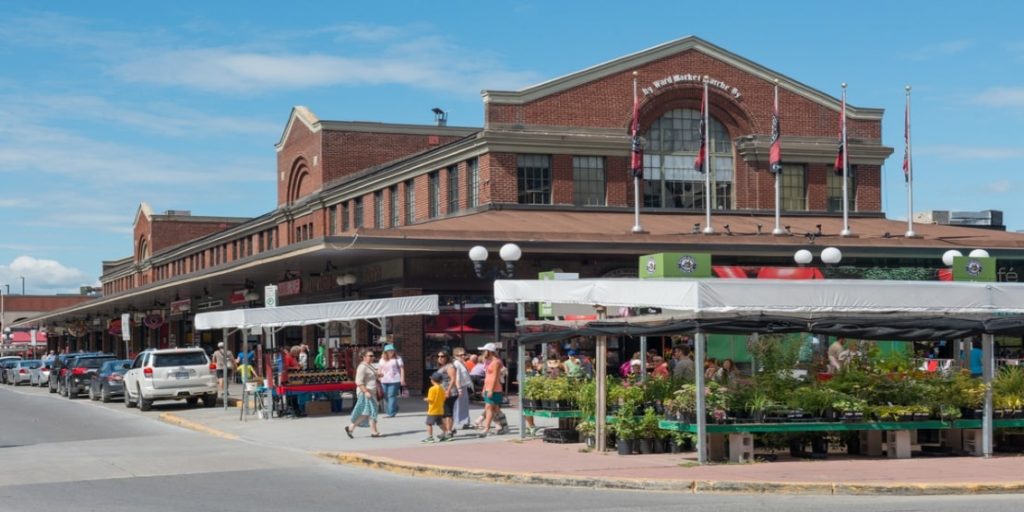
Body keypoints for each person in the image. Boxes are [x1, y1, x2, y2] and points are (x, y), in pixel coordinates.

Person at [345, 349, 381, 439]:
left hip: (371, 392)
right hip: (366, 392)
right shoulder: (362, 367)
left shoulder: (369, 366)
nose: (372, 357)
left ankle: (350, 428)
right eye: (370, 356)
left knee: (368, 412)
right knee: (372, 411)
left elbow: (373, 375)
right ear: (364, 357)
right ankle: (374, 432)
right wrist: (366, 392)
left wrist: (379, 375)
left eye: (373, 356)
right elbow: (359, 381)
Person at [477, 343, 508, 437]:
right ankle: (504, 426)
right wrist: (484, 388)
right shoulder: (488, 361)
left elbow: (494, 377)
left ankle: (486, 428)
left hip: (494, 388)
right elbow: (487, 376)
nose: (483, 352)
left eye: (484, 350)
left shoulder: (496, 362)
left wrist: (490, 389)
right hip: (489, 388)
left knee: (489, 408)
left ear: (490, 351)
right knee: (495, 409)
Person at [377, 344, 405, 417]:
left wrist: (402, 379)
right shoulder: (382, 359)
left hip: (395, 380)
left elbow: (402, 369)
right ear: (385, 352)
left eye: (392, 350)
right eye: (389, 351)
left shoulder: (398, 358)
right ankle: (395, 407)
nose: (391, 352)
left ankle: (391, 413)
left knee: (391, 395)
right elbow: (379, 369)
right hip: (384, 380)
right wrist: (378, 377)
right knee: (385, 396)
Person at [451, 347, 474, 430]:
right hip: (459, 387)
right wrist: (459, 389)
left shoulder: (463, 363)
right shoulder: (456, 364)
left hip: (464, 386)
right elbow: (456, 377)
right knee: (457, 406)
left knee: (464, 405)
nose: (463, 356)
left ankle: (466, 422)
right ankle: (452, 425)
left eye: (464, 354)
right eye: (460, 355)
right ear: (455, 356)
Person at [437, 351, 457, 440]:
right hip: (442, 392)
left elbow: (453, 379)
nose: (440, 358)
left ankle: (448, 431)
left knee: (447, 411)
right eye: (438, 356)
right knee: (444, 412)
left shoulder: (450, 366)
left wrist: (448, 390)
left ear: (447, 357)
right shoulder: (442, 367)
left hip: (450, 392)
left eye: (442, 356)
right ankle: (447, 430)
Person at [422, 372, 445, 443]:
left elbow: (431, 399)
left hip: (433, 410)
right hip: (440, 409)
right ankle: (447, 433)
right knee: (440, 423)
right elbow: (443, 398)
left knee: (429, 423)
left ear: (432, 380)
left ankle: (430, 437)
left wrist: (426, 399)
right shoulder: (441, 388)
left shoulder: (432, 389)